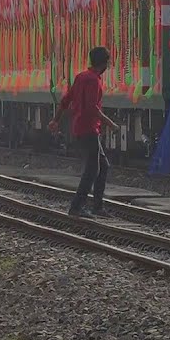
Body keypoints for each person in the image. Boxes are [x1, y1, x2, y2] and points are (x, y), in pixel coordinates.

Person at [48, 46, 119, 219]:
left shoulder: (81, 77)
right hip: (88, 129)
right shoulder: (93, 80)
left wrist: (55, 120)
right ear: (104, 63)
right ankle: (77, 207)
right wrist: (111, 124)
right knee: (92, 169)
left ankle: (97, 206)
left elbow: (65, 101)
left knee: (102, 166)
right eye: (108, 61)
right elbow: (91, 107)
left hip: (80, 127)